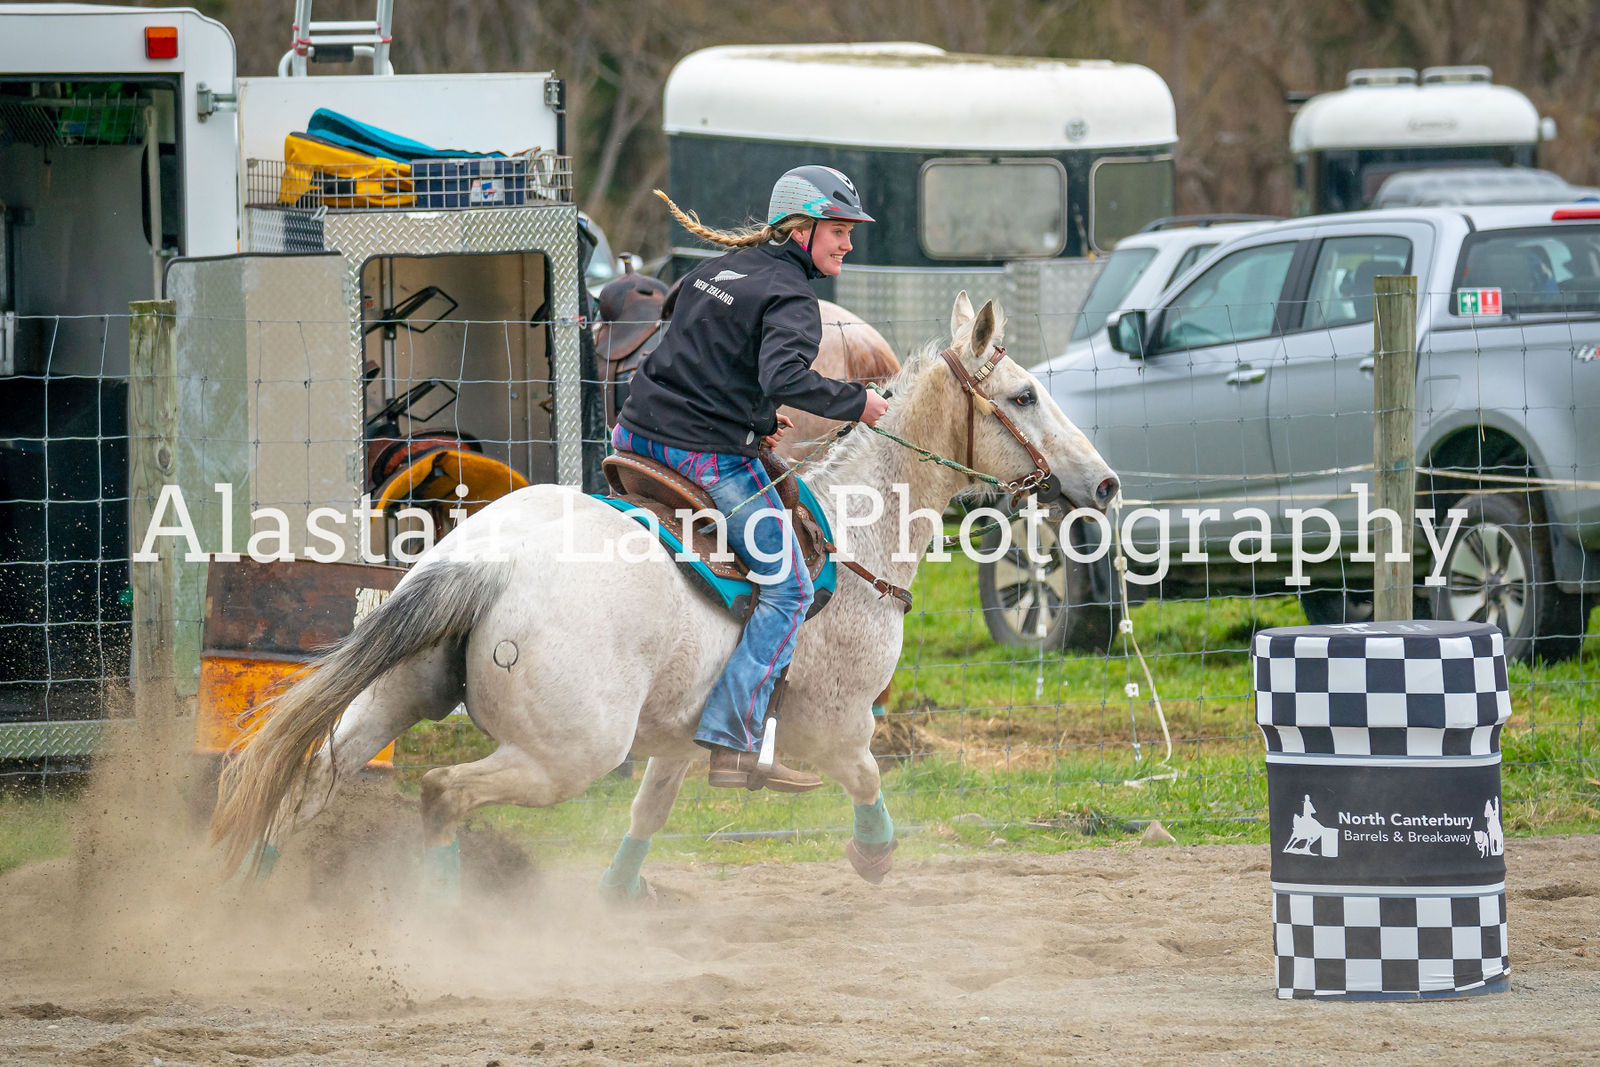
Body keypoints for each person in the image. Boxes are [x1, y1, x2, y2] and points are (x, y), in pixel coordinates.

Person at [612, 165, 890, 791]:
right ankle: (734, 743)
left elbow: (701, 348)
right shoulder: (794, 299)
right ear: (801, 229)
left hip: (634, 434)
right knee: (789, 587)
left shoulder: (712, 271)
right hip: (700, 455)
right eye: (839, 230)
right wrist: (857, 403)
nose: (847, 243)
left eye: (848, 232)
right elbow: (784, 378)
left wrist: (753, 418)